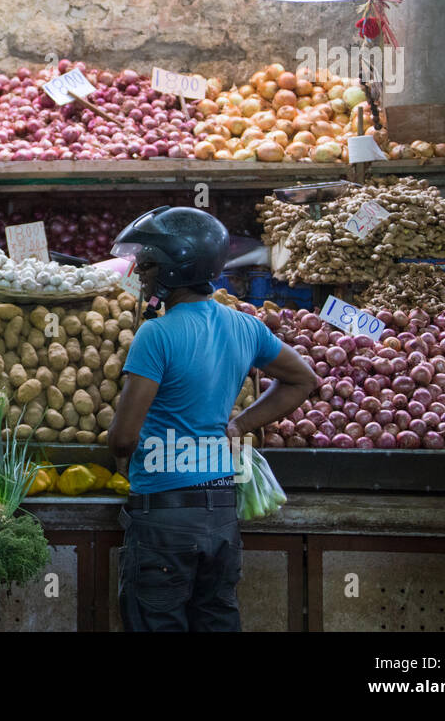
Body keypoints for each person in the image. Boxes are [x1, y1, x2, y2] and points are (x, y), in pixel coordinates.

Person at [108, 206, 317, 631]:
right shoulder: (246, 326)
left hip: (164, 518)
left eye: (147, 264)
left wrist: (121, 459)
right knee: (216, 620)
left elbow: (123, 435)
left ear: (171, 269)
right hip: (221, 512)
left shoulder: (156, 334)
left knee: (157, 621)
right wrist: (239, 424)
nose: (140, 273)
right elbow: (302, 380)